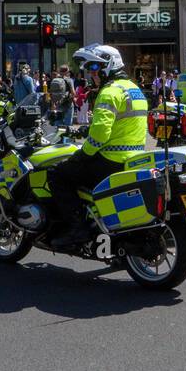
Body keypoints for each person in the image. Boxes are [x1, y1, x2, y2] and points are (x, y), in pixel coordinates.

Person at [46, 44, 149, 246]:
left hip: (109, 159)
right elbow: (121, 124)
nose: (91, 74)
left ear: (107, 67)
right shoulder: (134, 89)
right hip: (133, 157)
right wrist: (85, 130)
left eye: (94, 68)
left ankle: (77, 228)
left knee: (57, 174)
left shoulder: (110, 92)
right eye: (89, 69)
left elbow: (101, 134)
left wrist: (84, 153)